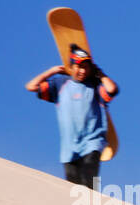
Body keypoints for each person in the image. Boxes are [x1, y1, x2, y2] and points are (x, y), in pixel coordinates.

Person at [25, 45, 118, 190]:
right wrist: (52, 71)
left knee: (89, 184)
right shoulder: (60, 84)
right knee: (73, 189)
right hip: (69, 149)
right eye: (79, 67)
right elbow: (31, 86)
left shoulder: (95, 85)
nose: (82, 71)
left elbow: (112, 89)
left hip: (92, 142)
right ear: (71, 67)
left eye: (86, 67)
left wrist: (100, 74)